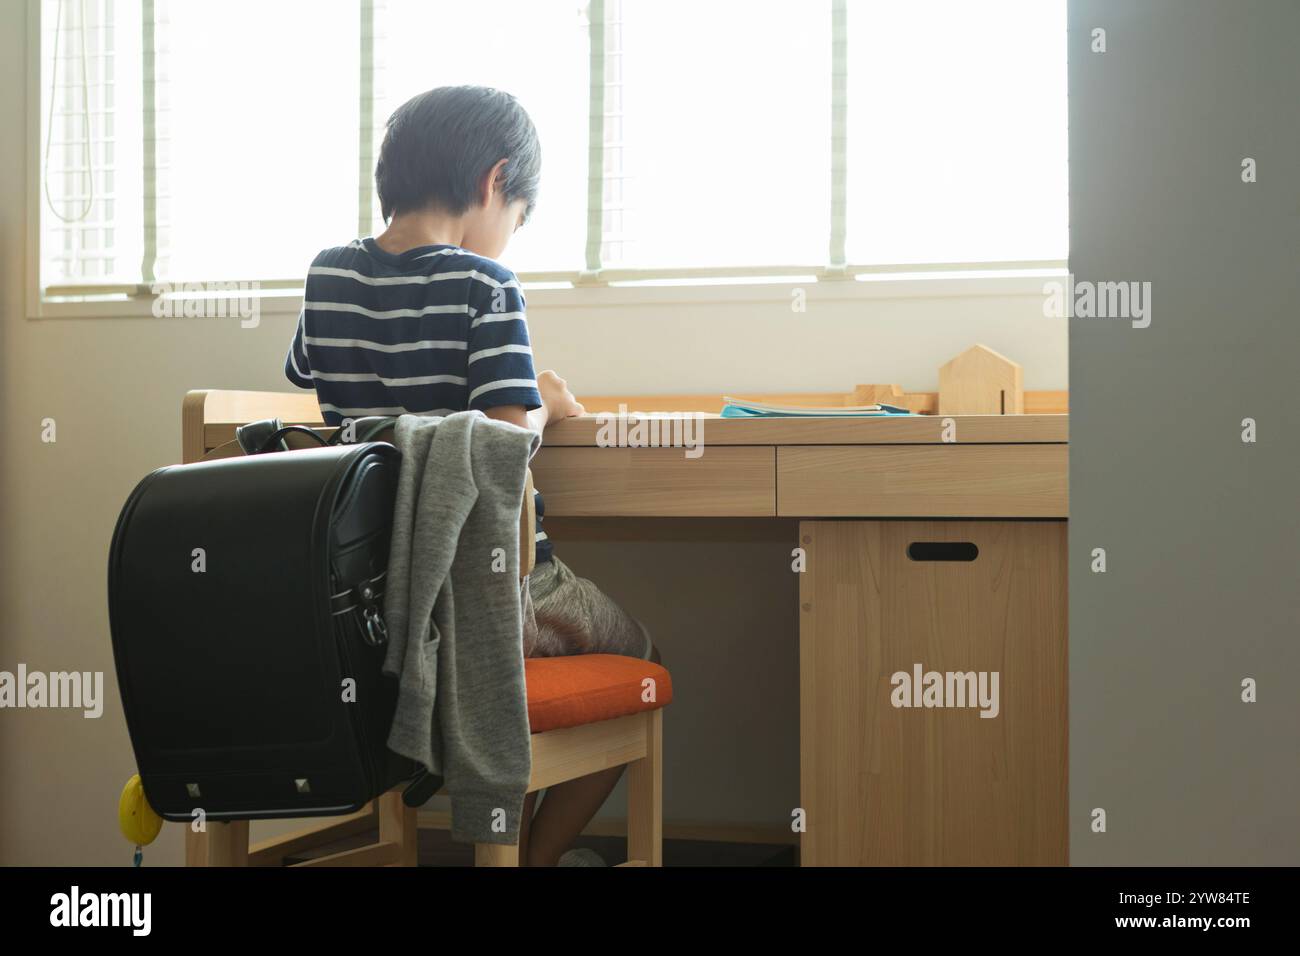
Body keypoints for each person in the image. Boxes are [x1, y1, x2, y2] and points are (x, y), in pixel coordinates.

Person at [283, 85, 659, 867]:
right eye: (517, 220)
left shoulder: (326, 275)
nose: (509, 239)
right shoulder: (487, 288)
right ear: (495, 182)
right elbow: (503, 451)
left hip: (375, 600)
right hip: (486, 596)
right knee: (643, 653)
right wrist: (548, 402)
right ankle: (538, 858)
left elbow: (303, 379)